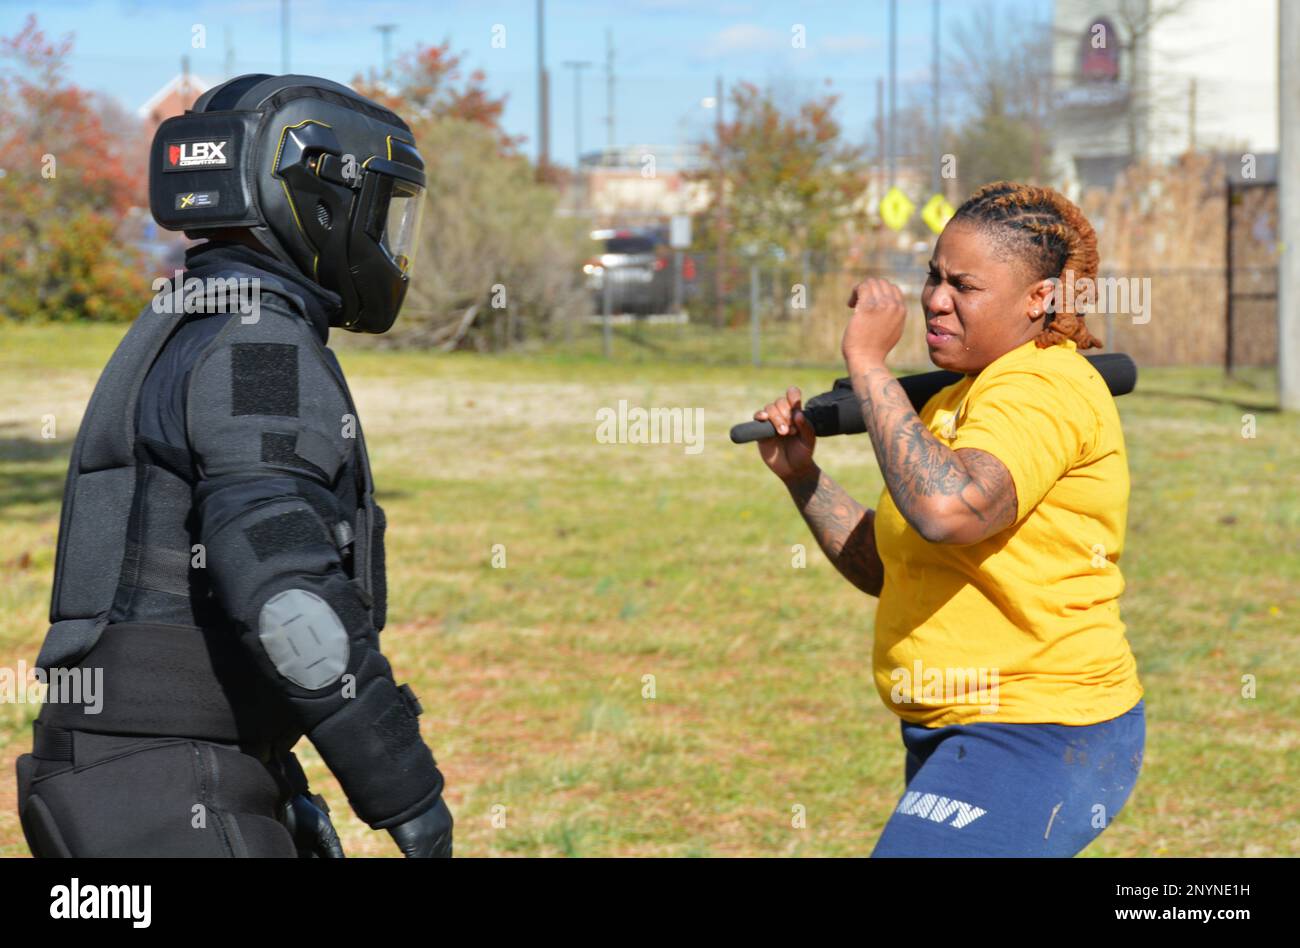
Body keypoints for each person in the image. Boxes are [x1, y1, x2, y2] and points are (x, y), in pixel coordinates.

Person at [16, 74, 452, 857]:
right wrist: (404, 790)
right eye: (383, 210)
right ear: (324, 202)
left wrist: (278, 787)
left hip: (135, 778)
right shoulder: (259, 347)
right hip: (161, 786)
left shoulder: (191, 316)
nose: (389, 240)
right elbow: (287, 599)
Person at [753, 182, 1145, 857]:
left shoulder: (1042, 388)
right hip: (956, 730)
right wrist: (802, 476)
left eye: (964, 285)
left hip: (1042, 728)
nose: (935, 298)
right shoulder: (955, 401)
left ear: (1040, 298)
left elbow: (948, 512)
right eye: (933, 276)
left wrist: (869, 365)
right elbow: (890, 564)